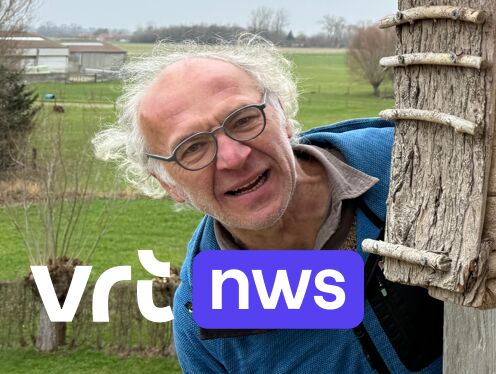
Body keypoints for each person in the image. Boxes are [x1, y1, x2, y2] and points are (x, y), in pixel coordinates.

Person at [94, 38, 443, 373]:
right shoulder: (204, 319)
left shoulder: (412, 161)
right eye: (192, 148)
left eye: (243, 120)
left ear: (283, 117)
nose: (233, 157)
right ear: (168, 184)